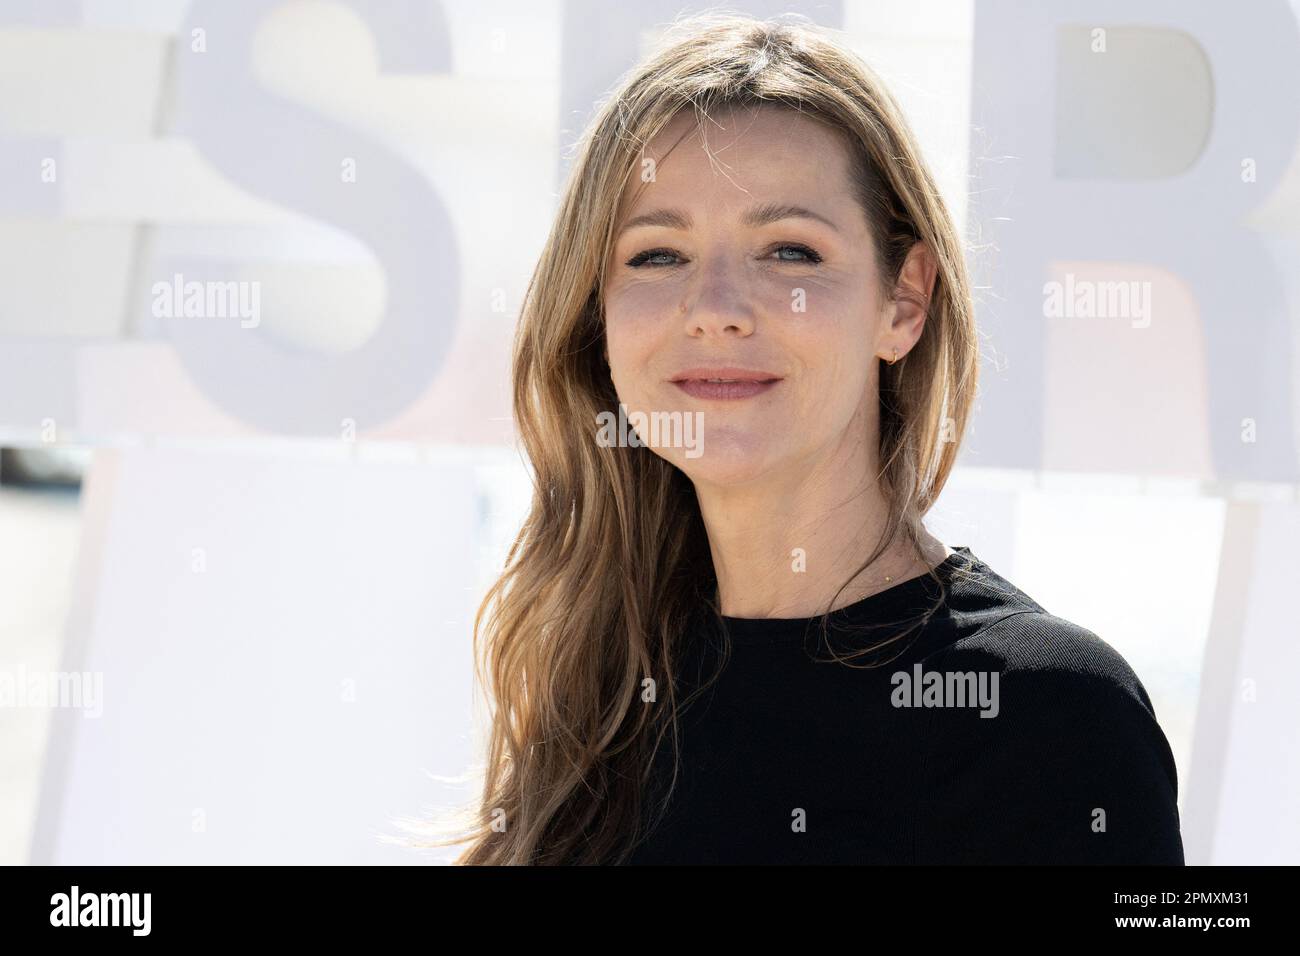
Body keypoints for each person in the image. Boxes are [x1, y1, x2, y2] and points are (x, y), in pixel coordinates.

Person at [439, 11, 1184, 865]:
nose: (716, 307)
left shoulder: (1052, 717)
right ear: (599, 316)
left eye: (788, 251)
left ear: (903, 301)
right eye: (657, 255)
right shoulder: (600, 699)